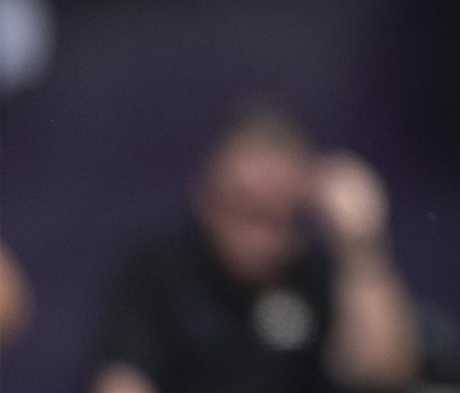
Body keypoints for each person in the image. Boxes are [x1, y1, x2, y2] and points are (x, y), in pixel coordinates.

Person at [87, 107, 419, 393]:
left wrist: (360, 248)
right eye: (243, 209)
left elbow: (382, 376)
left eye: (276, 217)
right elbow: (121, 382)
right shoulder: (160, 270)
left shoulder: (318, 272)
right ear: (207, 198)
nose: (257, 238)